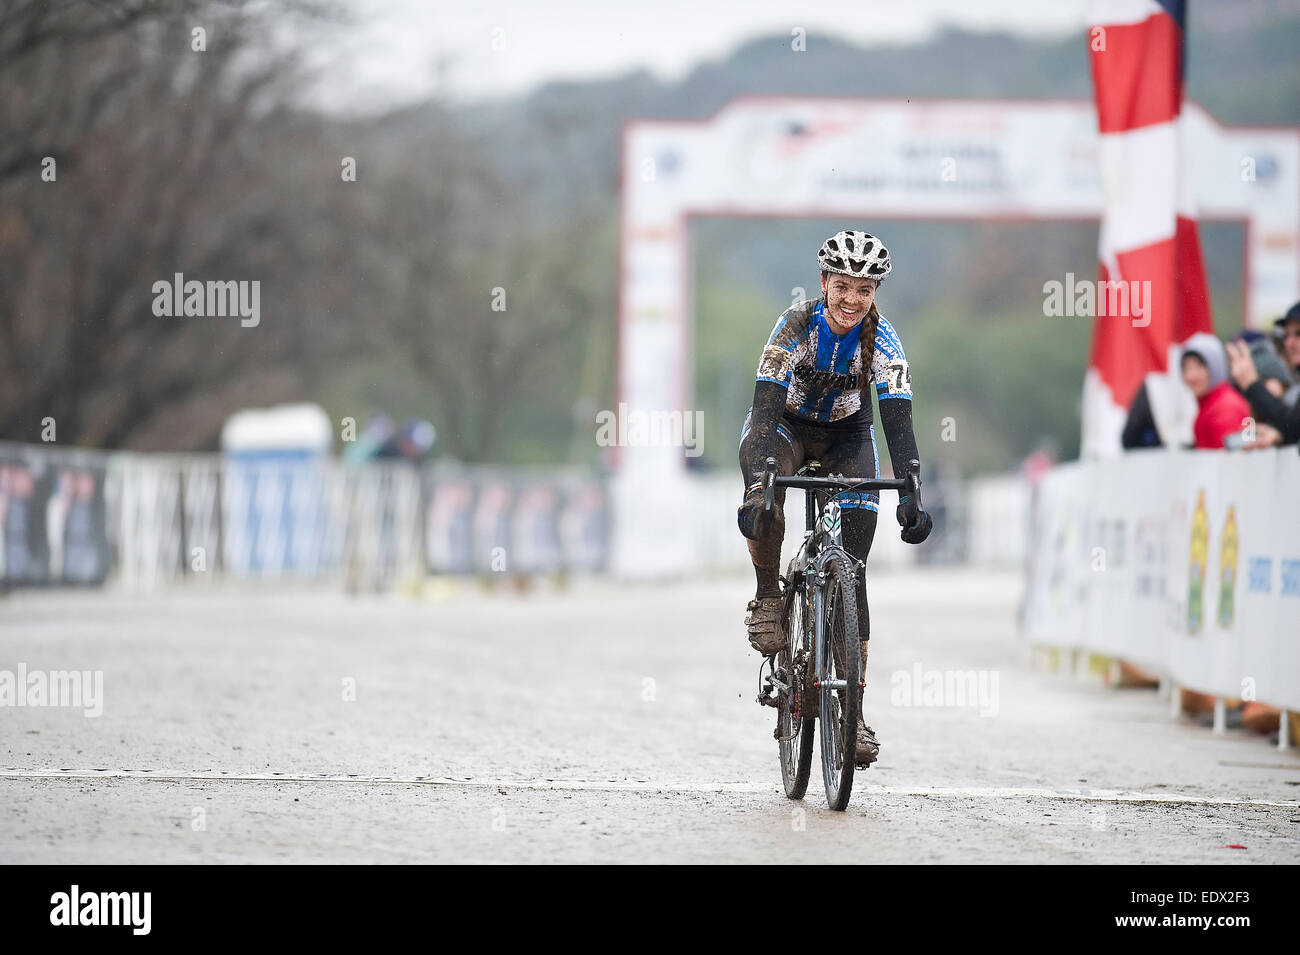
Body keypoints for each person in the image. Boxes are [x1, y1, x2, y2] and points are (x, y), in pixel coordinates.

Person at [736, 230, 932, 769]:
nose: (851, 299)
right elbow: (761, 419)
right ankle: (770, 596)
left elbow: (898, 424)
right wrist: (757, 488)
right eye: (842, 286)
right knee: (768, 501)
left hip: (849, 439)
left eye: (864, 290)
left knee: (855, 569)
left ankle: (855, 711)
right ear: (823, 283)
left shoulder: (884, 341)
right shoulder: (794, 328)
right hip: (787, 430)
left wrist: (912, 492)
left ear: (874, 294)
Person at [1179, 333, 1251, 450]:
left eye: (1198, 367)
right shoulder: (1209, 405)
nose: (1190, 376)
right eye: (1186, 368)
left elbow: (1227, 463)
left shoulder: (1226, 409)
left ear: (1215, 366)